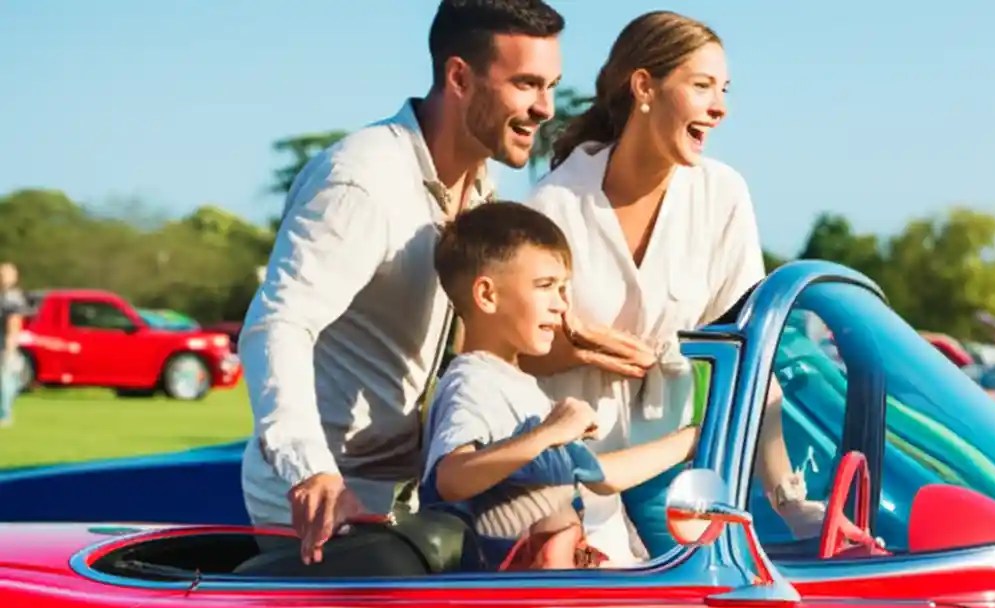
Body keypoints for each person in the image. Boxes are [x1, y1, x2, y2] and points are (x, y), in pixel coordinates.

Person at [238, 0, 565, 565]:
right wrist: (311, 470)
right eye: (527, 84)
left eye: (552, 85)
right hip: (323, 504)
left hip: (405, 499)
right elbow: (278, 323)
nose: (545, 108)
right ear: (459, 76)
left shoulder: (479, 191)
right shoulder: (362, 183)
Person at [523, 11, 825, 565]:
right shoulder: (550, 208)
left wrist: (787, 499)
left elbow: (753, 353)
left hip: (666, 467)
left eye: (724, 90)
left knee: (710, 596)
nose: (721, 107)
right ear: (644, 87)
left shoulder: (722, 195)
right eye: (702, 86)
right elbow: (506, 354)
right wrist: (583, 348)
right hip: (566, 475)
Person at [423, 201, 699, 569]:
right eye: (546, 286)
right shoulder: (472, 382)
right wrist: (548, 433)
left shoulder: (515, 383)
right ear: (488, 295)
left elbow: (601, 475)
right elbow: (451, 478)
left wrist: (695, 438)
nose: (562, 305)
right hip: (517, 606)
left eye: (564, 288)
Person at [0, 262, 29, 428]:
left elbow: (14, 323)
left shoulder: (12, 297)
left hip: (6, 344)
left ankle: (4, 414)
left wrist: (10, 349)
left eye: (5, 274)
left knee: (5, 378)